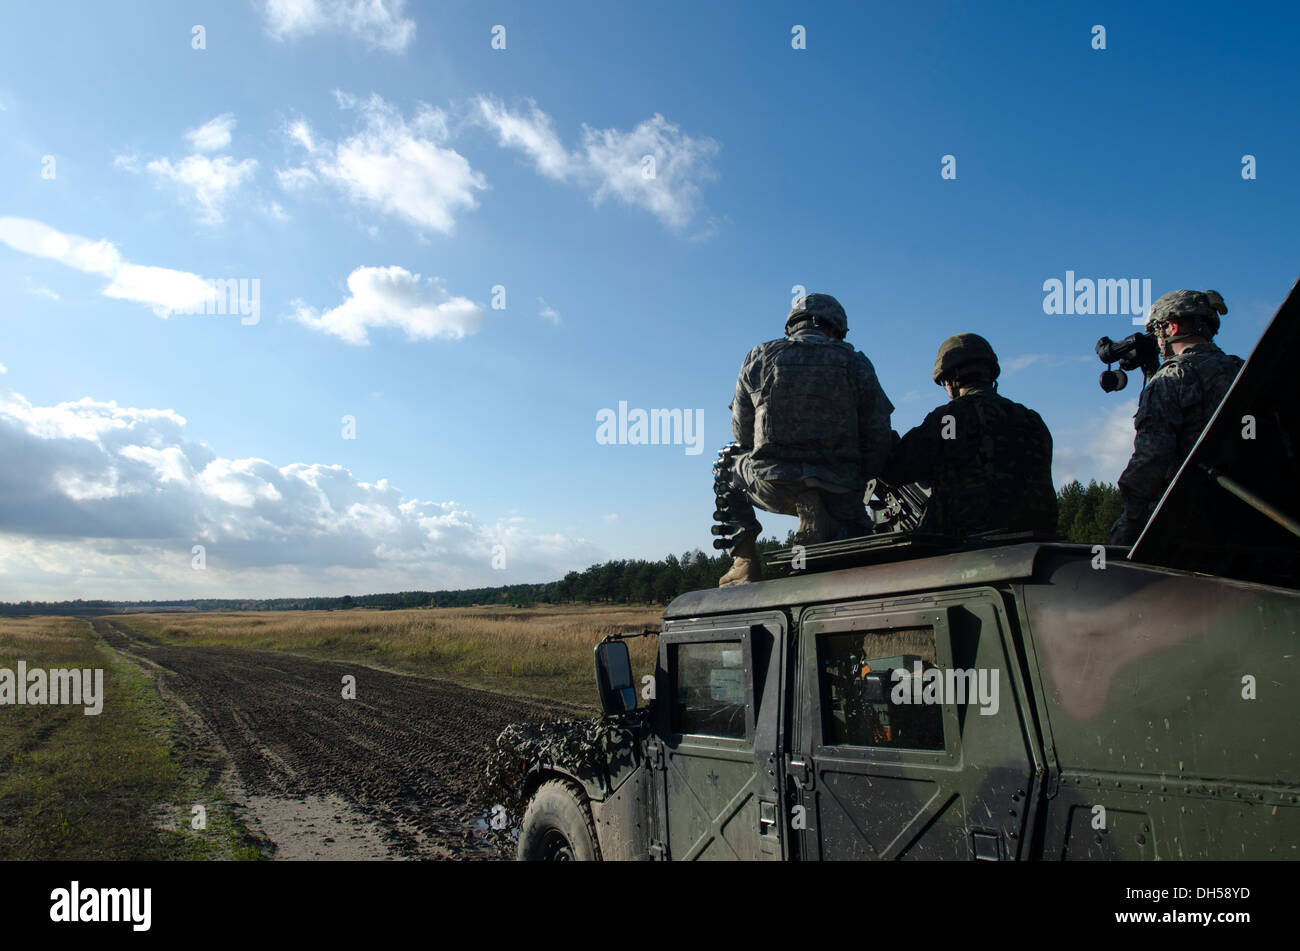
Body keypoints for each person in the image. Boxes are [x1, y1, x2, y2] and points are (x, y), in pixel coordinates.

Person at [715, 293, 894, 586]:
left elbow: (741, 433)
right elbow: (878, 437)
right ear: (836, 329)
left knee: (726, 461)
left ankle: (745, 562)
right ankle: (831, 519)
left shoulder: (759, 356)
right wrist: (854, 481)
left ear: (791, 327)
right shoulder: (856, 363)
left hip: (776, 485)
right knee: (858, 558)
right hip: (841, 489)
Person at [881, 333, 1057, 537]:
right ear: (990, 374)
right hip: (1036, 540)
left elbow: (894, 470)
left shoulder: (951, 419)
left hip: (968, 547)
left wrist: (882, 436)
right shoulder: (1032, 420)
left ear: (950, 378)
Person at [1109, 289, 1243, 546]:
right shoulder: (1241, 370)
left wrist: (1130, 519)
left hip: (1192, 526)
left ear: (1170, 326)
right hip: (1249, 518)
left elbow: (1151, 458)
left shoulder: (1172, 378)